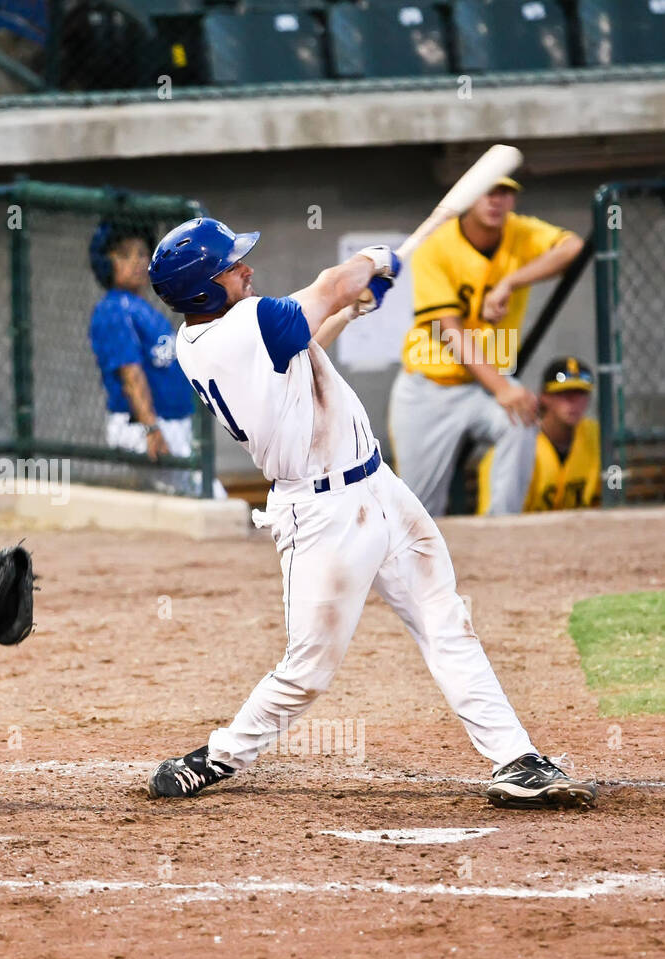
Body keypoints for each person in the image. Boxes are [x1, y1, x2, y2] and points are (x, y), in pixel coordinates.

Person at [142, 217, 595, 810]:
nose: (246, 268)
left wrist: (353, 311)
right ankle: (219, 757)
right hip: (322, 513)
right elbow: (330, 282)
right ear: (204, 290)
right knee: (307, 670)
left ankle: (514, 758)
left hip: (379, 485)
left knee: (444, 617)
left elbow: (302, 347)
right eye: (231, 266)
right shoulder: (236, 331)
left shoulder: (217, 335)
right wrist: (374, 260)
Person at [388, 177, 584, 516]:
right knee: (417, 511)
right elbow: (447, 330)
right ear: (469, 197)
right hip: (429, 387)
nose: (496, 200)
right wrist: (502, 387)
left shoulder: (521, 233)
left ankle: (502, 529)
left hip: (485, 387)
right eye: (487, 191)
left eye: (505, 192)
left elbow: (572, 248)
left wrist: (512, 281)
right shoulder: (437, 244)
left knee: (520, 420)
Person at [88, 219, 225, 498]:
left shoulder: (140, 308)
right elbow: (130, 373)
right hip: (142, 425)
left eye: (142, 253)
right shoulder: (114, 309)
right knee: (209, 498)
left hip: (170, 424)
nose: (137, 262)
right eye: (124, 255)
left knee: (189, 498)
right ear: (105, 263)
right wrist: (150, 427)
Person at [478, 357, 600, 513]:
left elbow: (613, 482)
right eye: (563, 393)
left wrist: (614, 485)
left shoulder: (595, 435)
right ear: (544, 397)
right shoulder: (518, 444)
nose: (573, 401)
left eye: (580, 393)